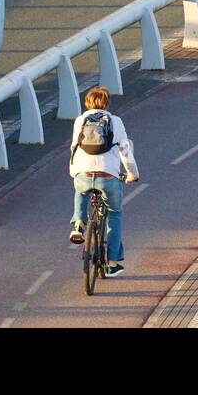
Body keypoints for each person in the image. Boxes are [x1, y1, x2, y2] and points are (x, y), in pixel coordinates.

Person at [68, 85, 139, 278]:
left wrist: (75, 172)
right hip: (108, 176)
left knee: (81, 190)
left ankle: (78, 224)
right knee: (115, 213)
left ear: (87, 103)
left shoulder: (80, 120)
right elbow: (125, 150)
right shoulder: (115, 121)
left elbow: (74, 147)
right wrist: (132, 174)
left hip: (82, 173)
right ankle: (112, 264)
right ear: (107, 103)